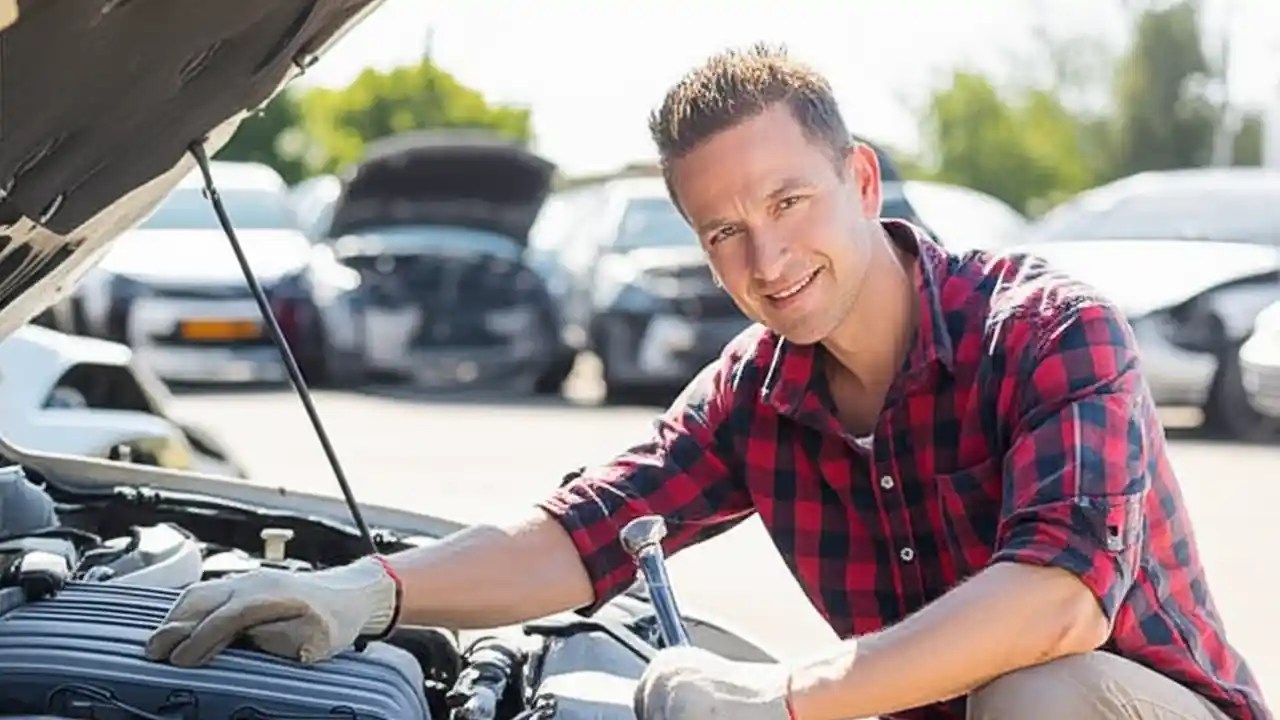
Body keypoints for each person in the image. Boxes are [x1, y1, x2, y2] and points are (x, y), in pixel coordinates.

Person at [143, 44, 1268, 720]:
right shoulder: (759, 390)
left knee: (1038, 690)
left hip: (1123, 707)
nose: (765, 262)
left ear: (859, 177)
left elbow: (1060, 596)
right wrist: (367, 592)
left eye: (787, 205)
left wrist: (786, 696)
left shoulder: (1045, 330)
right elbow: (579, 534)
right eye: (721, 231)